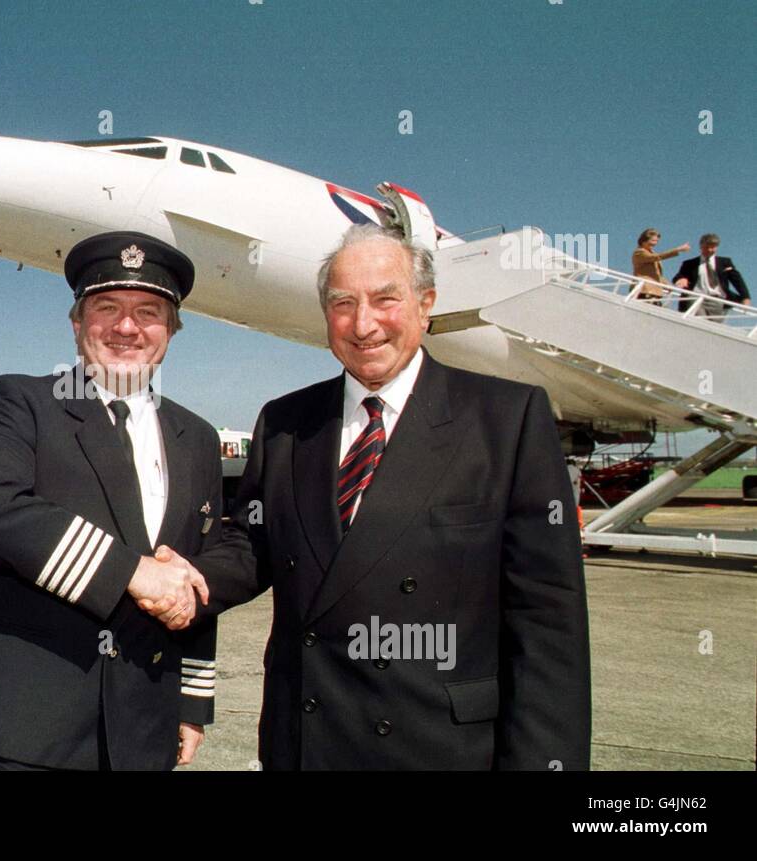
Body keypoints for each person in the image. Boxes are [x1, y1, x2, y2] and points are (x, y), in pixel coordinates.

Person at [152, 224, 591, 770]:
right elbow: (254, 546)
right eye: (343, 303)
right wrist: (185, 579)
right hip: (306, 741)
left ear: (426, 305)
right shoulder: (286, 423)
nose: (364, 324)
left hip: (442, 749)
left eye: (386, 299)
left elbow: (549, 625)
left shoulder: (507, 419)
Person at [0, 231, 223, 771]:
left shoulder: (198, 437)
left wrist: (191, 702)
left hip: (145, 721)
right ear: (76, 323)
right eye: (107, 307)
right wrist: (130, 572)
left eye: (148, 311)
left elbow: (192, 576)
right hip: (29, 726)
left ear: (170, 331)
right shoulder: (25, 400)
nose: (127, 326)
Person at [673, 233, 750, 320]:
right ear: (701, 246)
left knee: (713, 327)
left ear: (716, 247)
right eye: (707, 247)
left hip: (717, 301)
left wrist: (745, 297)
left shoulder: (725, 262)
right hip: (697, 298)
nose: (710, 250)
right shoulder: (690, 264)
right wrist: (681, 279)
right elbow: (678, 276)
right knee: (699, 322)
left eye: (713, 247)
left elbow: (737, 280)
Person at [630, 229, 688, 304]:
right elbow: (657, 257)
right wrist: (677, 249)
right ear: (644, 240)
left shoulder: (651, 253)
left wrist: (667, 285)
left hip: (656, 292)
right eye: (653, 241)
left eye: (656, 241)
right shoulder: (639, 252)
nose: (655, 244)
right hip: (645, 290)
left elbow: (656, 274)